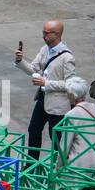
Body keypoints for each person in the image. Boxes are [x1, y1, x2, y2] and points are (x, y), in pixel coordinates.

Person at [15, 20, 75, 159]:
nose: (43, 35)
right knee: (33, 130)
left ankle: (57, 169)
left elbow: (70, 84)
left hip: (58, 105)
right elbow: (34, 69)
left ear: (57, 34)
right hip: (43, 99)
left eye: (46, 33)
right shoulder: (44, 49)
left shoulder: (67, 57)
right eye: (43, 32)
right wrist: (20, 60)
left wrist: (46, 83)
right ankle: (32, 164)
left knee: (56, 138)